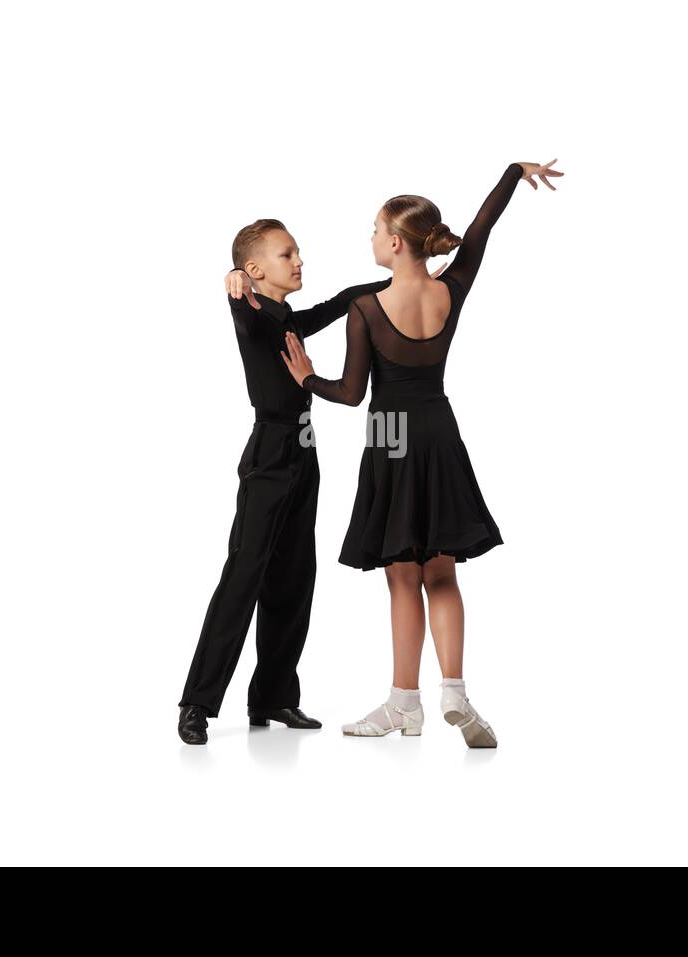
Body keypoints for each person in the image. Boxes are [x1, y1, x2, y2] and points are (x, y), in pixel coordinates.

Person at [280, 159, 562, 748]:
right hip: (441, 433)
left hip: (391, 437)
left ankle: (402, 702)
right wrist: (512, 173)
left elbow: (354, 394)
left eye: (376, 230)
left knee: (401, 575)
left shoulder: (367, 309)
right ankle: (452, 692)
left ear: (397, 241)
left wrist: (308, 378)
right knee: (443, 573)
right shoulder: (449, 290)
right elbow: (481, 232)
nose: (372, 238)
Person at [177, 218, 392, 745]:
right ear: (254, 270)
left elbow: (338, 302)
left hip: (304, 454)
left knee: (294, 578)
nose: (299, 261)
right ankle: (196, 704)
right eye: (286, 254)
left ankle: (274, 698)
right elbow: (242, 311)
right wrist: (233, 278)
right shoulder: (253, 313)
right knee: (242, 578)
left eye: (298, 252)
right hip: (269, 458)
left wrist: (403, 282)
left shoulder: (288, 316)